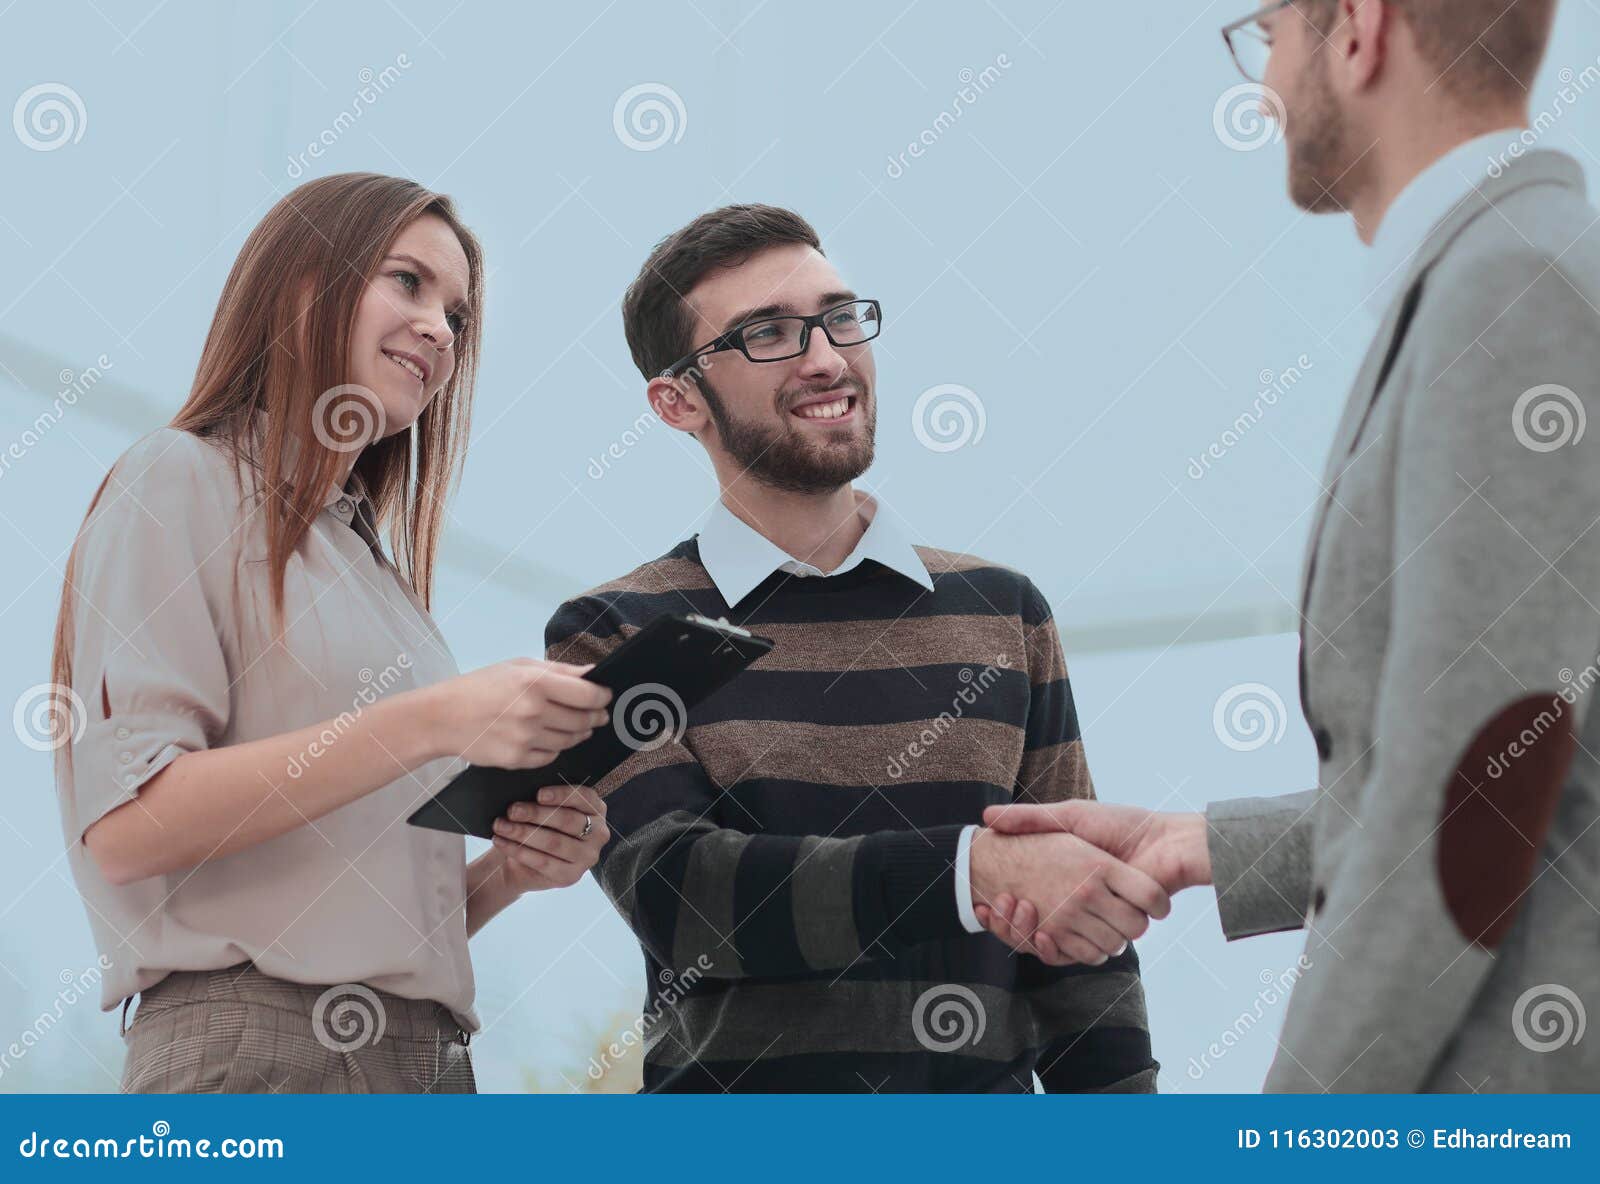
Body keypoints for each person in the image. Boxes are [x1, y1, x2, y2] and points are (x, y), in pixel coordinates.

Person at [981, 0, 1600, 1092]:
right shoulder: (1512, 268)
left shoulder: (1507, 290)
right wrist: (1205, 842)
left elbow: (1474, 804)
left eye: (1265, 30)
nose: (1258, 79)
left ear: (1356, 29)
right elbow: (1523, 771)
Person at [537, 204, 1169, 1093]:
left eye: (839, 317)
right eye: (768, 334)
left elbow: (1081, 948)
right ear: (678, 401)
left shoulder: (1004, 614)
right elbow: (687, 901)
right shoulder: (617, 630)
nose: (828, 358)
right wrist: (970, 868)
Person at [51, 172, 613, 1093]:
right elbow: (126, 825)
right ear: (304, 285)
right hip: (258, 1063)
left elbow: (344, 918)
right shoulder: (178, 478)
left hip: (422, 1066)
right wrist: (438, 720)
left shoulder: (373, 573)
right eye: (408, 282)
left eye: (460, 317)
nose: (441, 329)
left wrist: (506, 875)